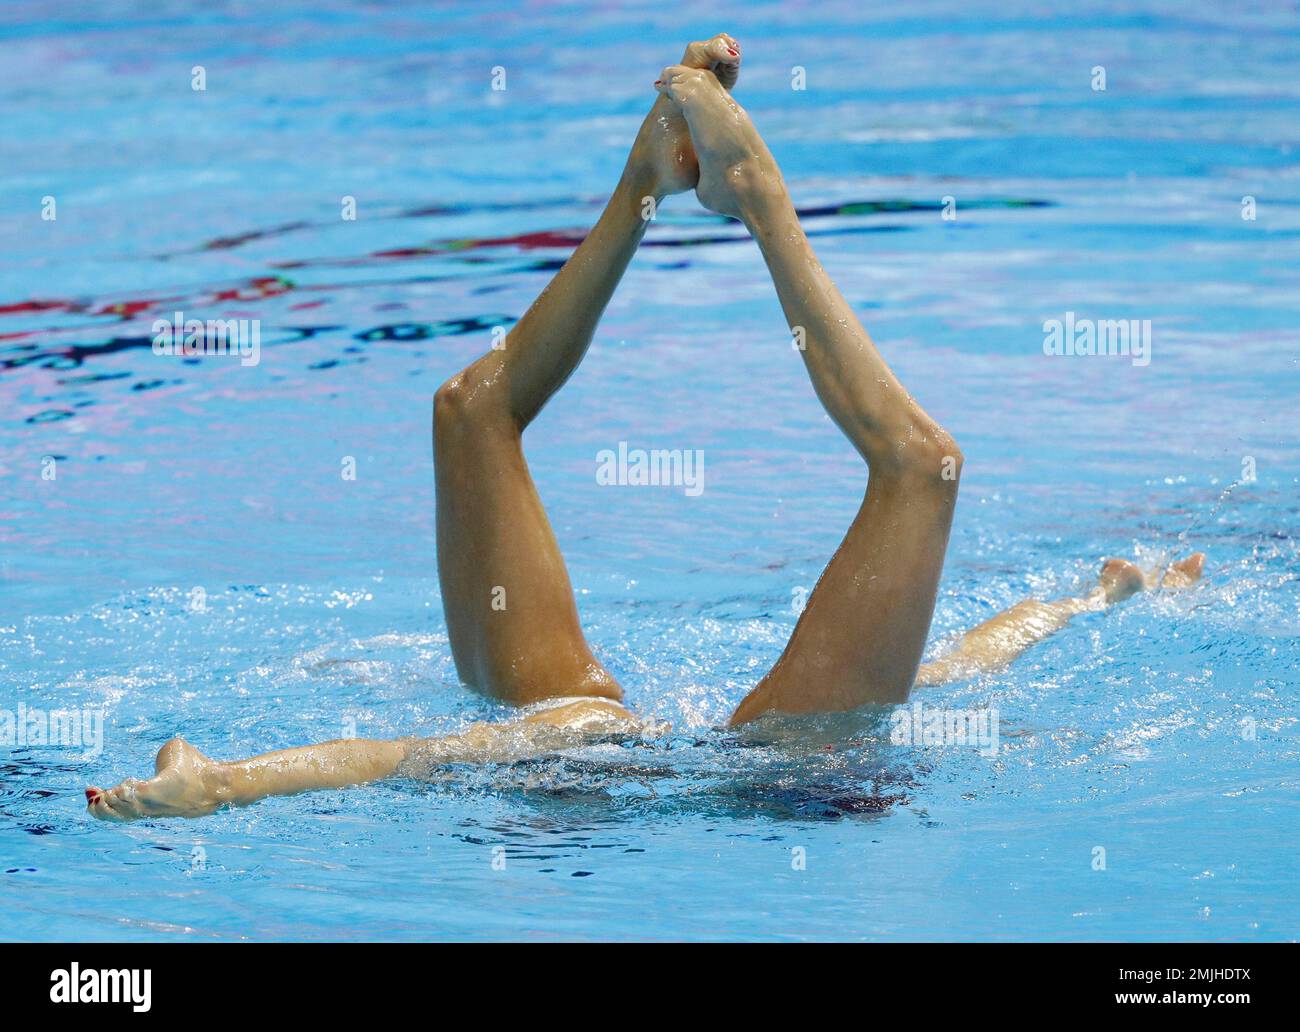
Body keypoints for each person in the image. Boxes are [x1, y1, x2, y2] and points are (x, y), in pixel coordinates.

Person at [86, 36, 1204, 821]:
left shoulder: (572, 735)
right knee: (921, 479)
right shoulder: (589, 738)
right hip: (792, 775)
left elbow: (411, 758)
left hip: (778, 778)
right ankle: (725, 197)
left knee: (472, 418)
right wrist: (1088, 602)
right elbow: (961, 659)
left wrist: (229, 784)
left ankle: (665, 191)